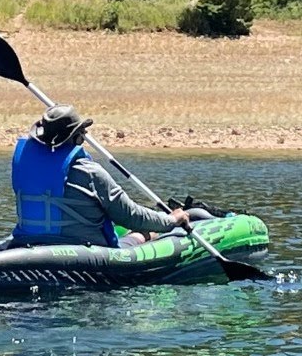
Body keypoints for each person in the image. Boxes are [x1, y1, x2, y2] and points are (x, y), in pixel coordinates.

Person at [10, 104, 191, 249]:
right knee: (145, 233)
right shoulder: (90, 173)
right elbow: (131, 216)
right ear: (78, 138)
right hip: (85, 251)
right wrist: (171, 220)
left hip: (29, 244)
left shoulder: (24, 166)